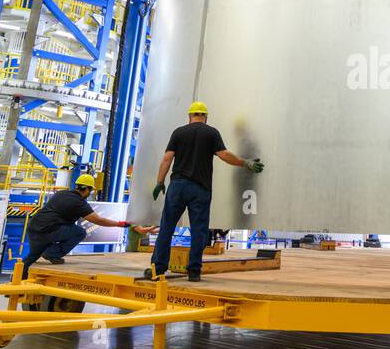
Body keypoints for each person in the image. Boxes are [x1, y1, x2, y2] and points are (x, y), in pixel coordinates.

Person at [147, 101, 264, 282]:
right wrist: (245, 162)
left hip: (177, 186)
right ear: (205, 117)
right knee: (199, 231)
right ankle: (194, 271)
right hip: (200, 189)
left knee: (167, 228)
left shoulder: (178, 132)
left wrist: (159, 182)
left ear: (189, 116)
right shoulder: (211, 133)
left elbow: (166, 159)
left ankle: (158, 268)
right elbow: (224, 155)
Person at [23, 173, 149, 275]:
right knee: (80, 232)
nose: (90, 193)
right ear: (87, 189)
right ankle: (52, 253)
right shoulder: (79, 203)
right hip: (50, 230)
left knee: (32, 257)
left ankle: (19, 279)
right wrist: (120, 224)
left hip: (34, 227)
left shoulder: (62, 194)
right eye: (90, 190)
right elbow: (99, 220)